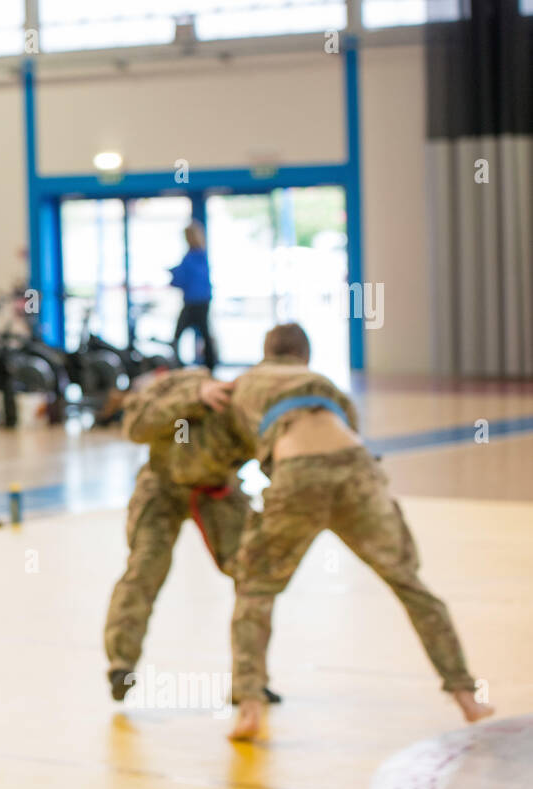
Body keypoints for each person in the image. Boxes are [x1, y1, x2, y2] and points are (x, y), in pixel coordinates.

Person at [224, 323, 493, 740]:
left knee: (256, 589)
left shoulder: (244, 383)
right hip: (355, 467)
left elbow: (231, 446)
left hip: (297, 477)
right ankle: (467, 697)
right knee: (410, 584)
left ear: (266, 353)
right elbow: (350, 423)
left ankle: (249, 704)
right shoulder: (319, 381)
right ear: (304, 356)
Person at [104, 367, 280, 703]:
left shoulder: (244, 409)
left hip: (218, 489)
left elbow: (270, 450)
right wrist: (193, 398)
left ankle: (250, 679)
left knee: (251, 574)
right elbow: (136, 427)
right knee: (144, 567)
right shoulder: (179, 384)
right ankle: (121, 665)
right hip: (161, 487)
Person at [169, 221, 217, 372]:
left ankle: (178, 365)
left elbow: (182, 279)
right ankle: (209, 364)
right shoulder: (202, 256)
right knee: (204, 332)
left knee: (178, 335)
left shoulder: (191, 258)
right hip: (203, 301)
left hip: (193, 302)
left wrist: (173, 274)